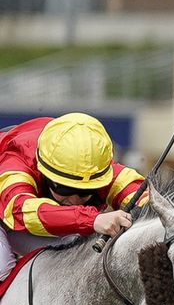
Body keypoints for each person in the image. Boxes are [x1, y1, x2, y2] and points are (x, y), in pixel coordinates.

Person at [0, 112, 147, 280]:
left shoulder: (94, 168)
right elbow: (21, 211)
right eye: (65, 189)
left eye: (86, 191)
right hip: (11, 210)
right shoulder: (16, 163)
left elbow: (138, 191)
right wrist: (93, 220)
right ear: (45, 173)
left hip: (15, 215)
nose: (75, 201)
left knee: (75, 248)